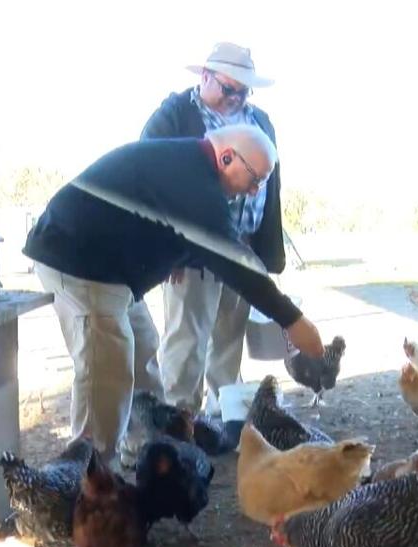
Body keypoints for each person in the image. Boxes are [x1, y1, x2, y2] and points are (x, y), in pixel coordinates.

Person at [22, 124, 323, 459]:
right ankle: (92, 479)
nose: (254, 191)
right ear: (226, 157)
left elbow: (219, 248)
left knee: (143, 356)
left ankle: (148, 454)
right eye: (254, 179)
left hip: (111, 274)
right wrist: (292, 320)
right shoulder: (194, 180)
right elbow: (231, 261)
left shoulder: (192, 171)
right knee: (107, 370)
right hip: (77, 261)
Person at [143, 41, 285, 414]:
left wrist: (264, 253)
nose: (236, 97)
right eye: (228, 88)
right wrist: (165, 247)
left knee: (228, 342)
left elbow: (271, 189)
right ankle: (179, 424)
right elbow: (150, 184)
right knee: (186, 344)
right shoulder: (174, 116)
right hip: (191, 252)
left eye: (243, 90)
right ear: (205, 77)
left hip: (242, 248)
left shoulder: (261, 121)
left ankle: (219, 418)